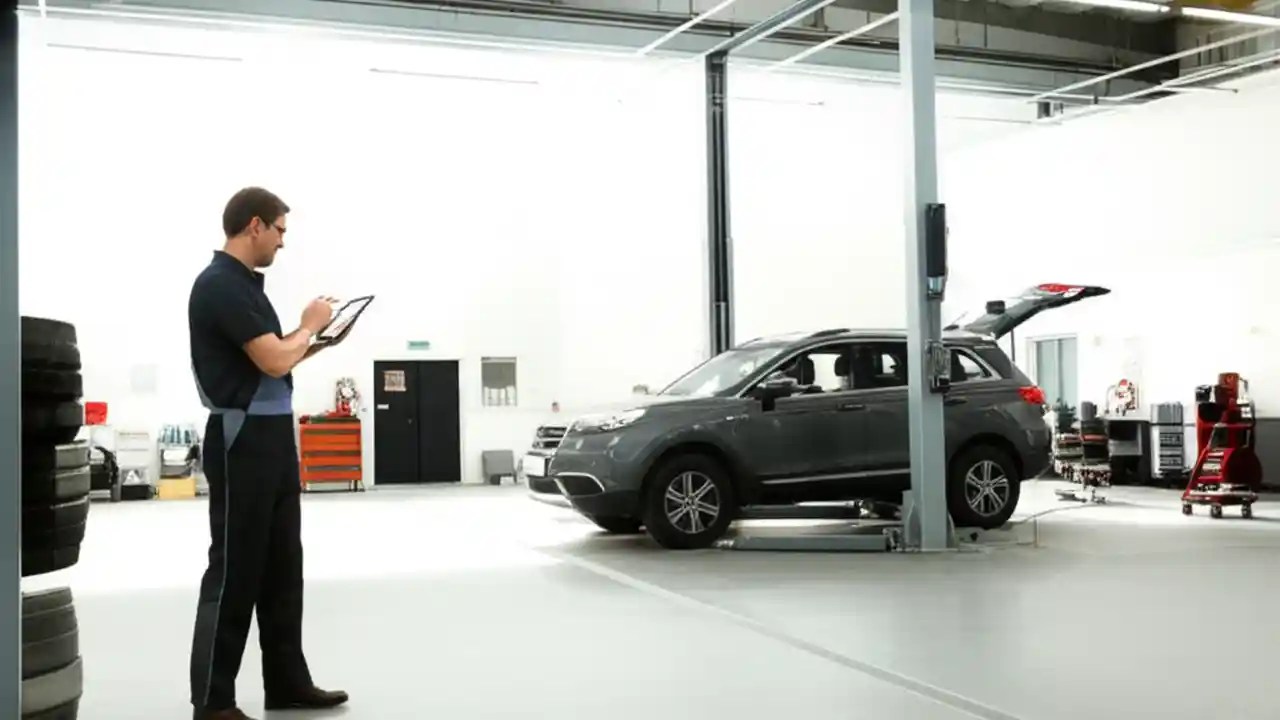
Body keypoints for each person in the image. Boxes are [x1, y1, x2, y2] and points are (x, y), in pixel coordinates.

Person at [186, 187, 347, 720]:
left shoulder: (248, 288)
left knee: (283, 567)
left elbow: (272, 359)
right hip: (242, 442)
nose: (283, 241)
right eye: (279, 229)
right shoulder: (219, 286)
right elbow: (275, 359)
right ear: (253, 225)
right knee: (234, 569)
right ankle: (214, 701)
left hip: (274, 439)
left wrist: (315, 340)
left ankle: (286, 682)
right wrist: (308, 326)